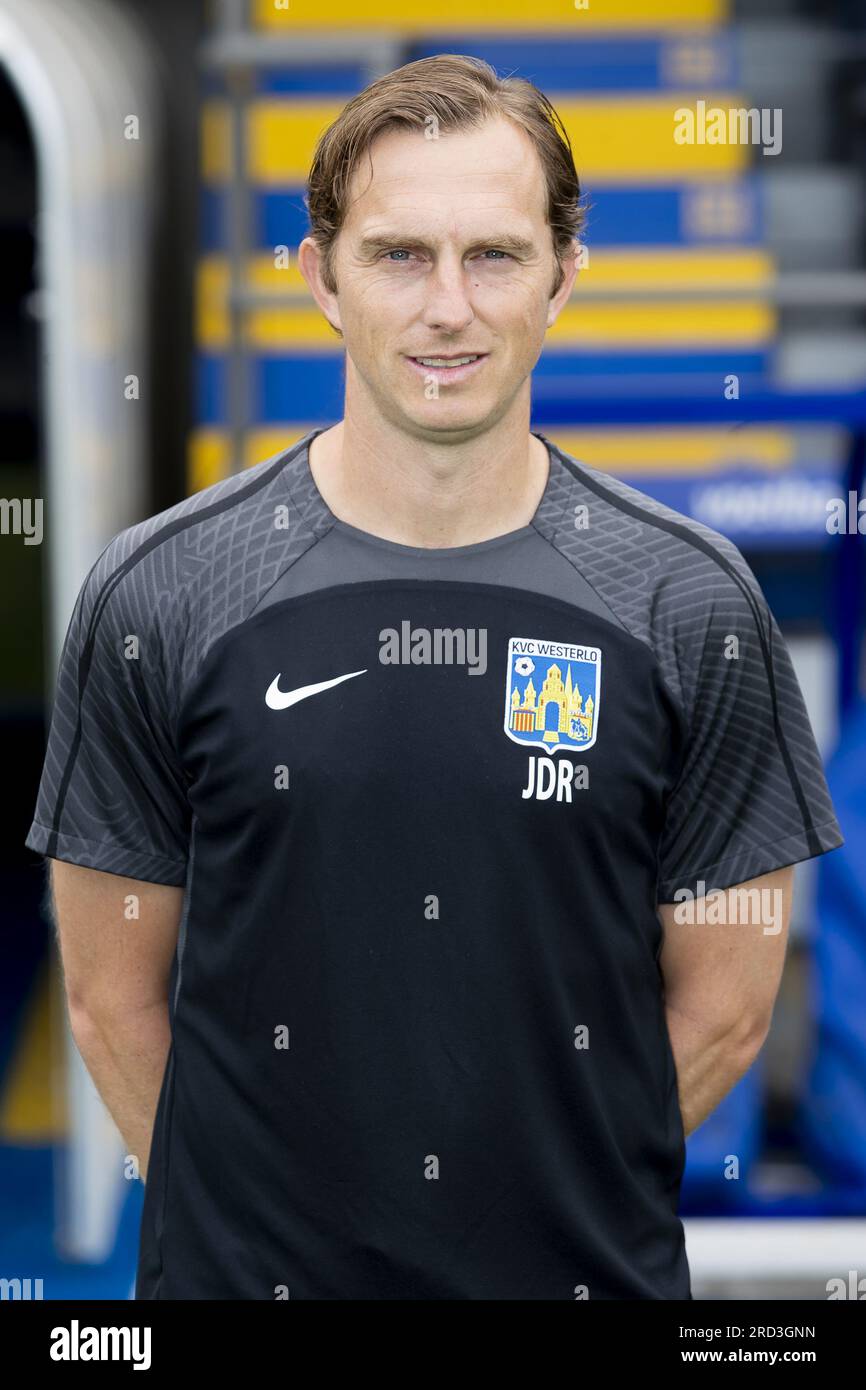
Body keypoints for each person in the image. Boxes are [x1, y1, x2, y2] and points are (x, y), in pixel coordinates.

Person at [26, 54, 844, 1300]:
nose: (446, 308)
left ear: (565, 277)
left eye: (496, 256)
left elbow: (726, 1008)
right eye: (400, 255)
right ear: (320, 279)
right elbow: (107, 999)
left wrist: (529, 1210)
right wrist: (273, 1240)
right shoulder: (163, 592)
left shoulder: (689, 603)